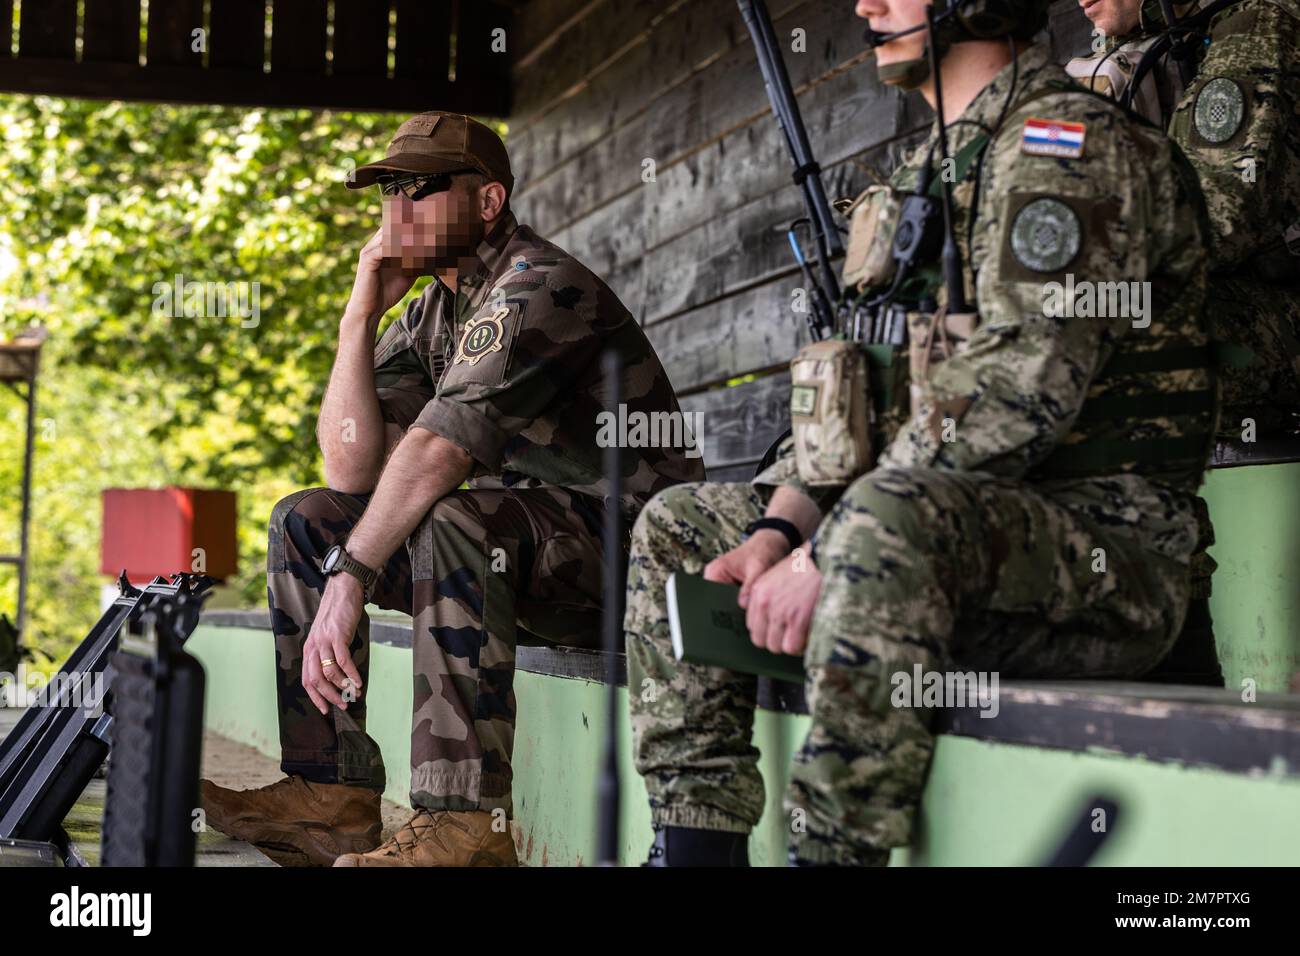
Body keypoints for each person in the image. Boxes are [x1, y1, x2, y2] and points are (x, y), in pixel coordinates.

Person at [625, 0, 1215, 866]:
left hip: (1108, 557)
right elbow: (852, 405)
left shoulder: (1069, 146)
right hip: (941, 536)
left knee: (880, 520)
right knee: (681, 526)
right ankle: (694, 852)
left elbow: (1023, 386)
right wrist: (776, 533)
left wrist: (823, 557)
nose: (867, 5)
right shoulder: (923, 176)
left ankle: (831, 856)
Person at [201, 111, 704, 867]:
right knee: (307, 519)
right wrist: (358, 316)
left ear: (488, 202)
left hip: (629, 559)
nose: (394, 210)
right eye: (386, 192)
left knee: (454, 518)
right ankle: (329, 795)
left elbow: (439, 451)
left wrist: (353, 576)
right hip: (518, 556)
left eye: (419, 189)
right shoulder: (434, 309)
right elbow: (349, 468)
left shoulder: (537, 286)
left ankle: (465, 827)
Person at [1068, 0, 1300, 681]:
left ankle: (1175, 664)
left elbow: (1221, 213)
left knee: (1114, 359)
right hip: (1209, 301)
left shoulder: (1257, 23)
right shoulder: (1130, 50)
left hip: (1274, 317)